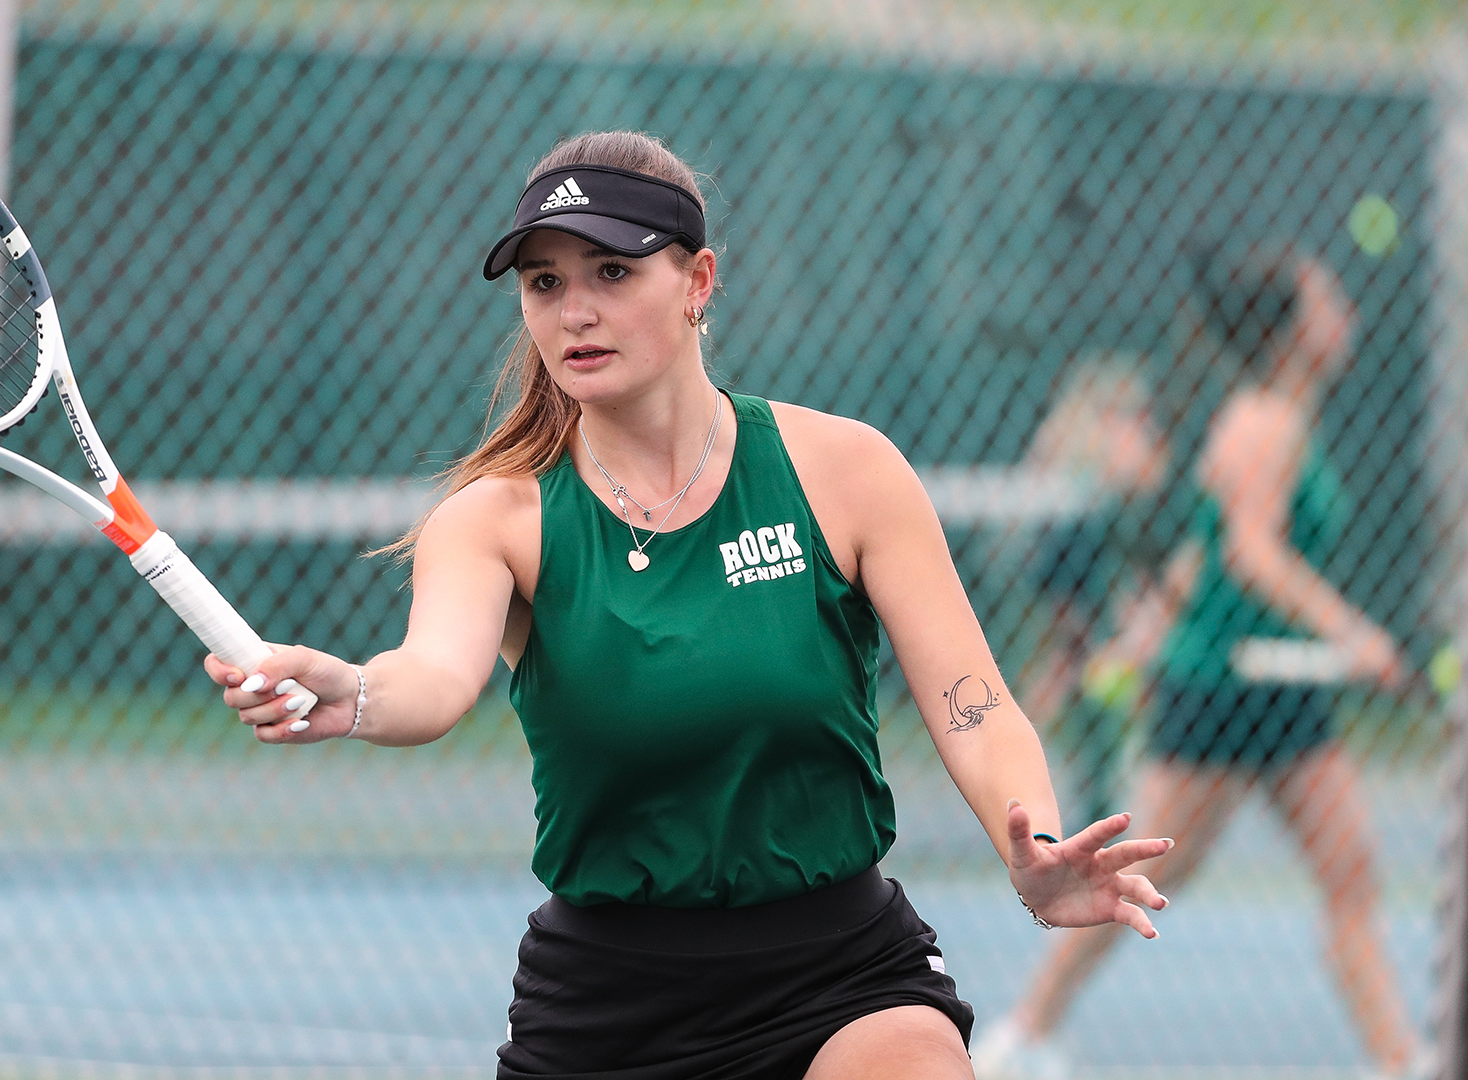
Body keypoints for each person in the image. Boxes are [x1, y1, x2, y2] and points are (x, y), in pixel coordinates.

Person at [203, 131, 1172, 1079]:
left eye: (611, 272)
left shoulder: (846, 471)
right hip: (610, 1006)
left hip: (842, 975)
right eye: (544, 283)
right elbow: (434, 678)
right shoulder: (497, 519)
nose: (575, 310)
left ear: (699, 281)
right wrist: (358, 695)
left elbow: (974, 703)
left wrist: (1036, 843)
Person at [977, 242, 1419, 1080]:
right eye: (1328, 301)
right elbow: (1250, 553)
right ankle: (1019, 1038)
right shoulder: (1265, 423)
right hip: (1218, 691)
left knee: (1351, 868)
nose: (1347, 315)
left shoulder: (1280, 419)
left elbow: (1205, 552)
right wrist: (1355, 634)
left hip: (1275, 686)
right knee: (1141, 874)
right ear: (1290, 331)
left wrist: (1155, 622)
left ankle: (1399, 1061)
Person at [1014, 356, 1170, 830]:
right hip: (1061, 577)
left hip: (1092, 576)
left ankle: (1097, 794)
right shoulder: (1072, 443)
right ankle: (1024, 779)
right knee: (1060, 679)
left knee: (1100, 684)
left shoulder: (1108, 471)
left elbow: (1147, 483)